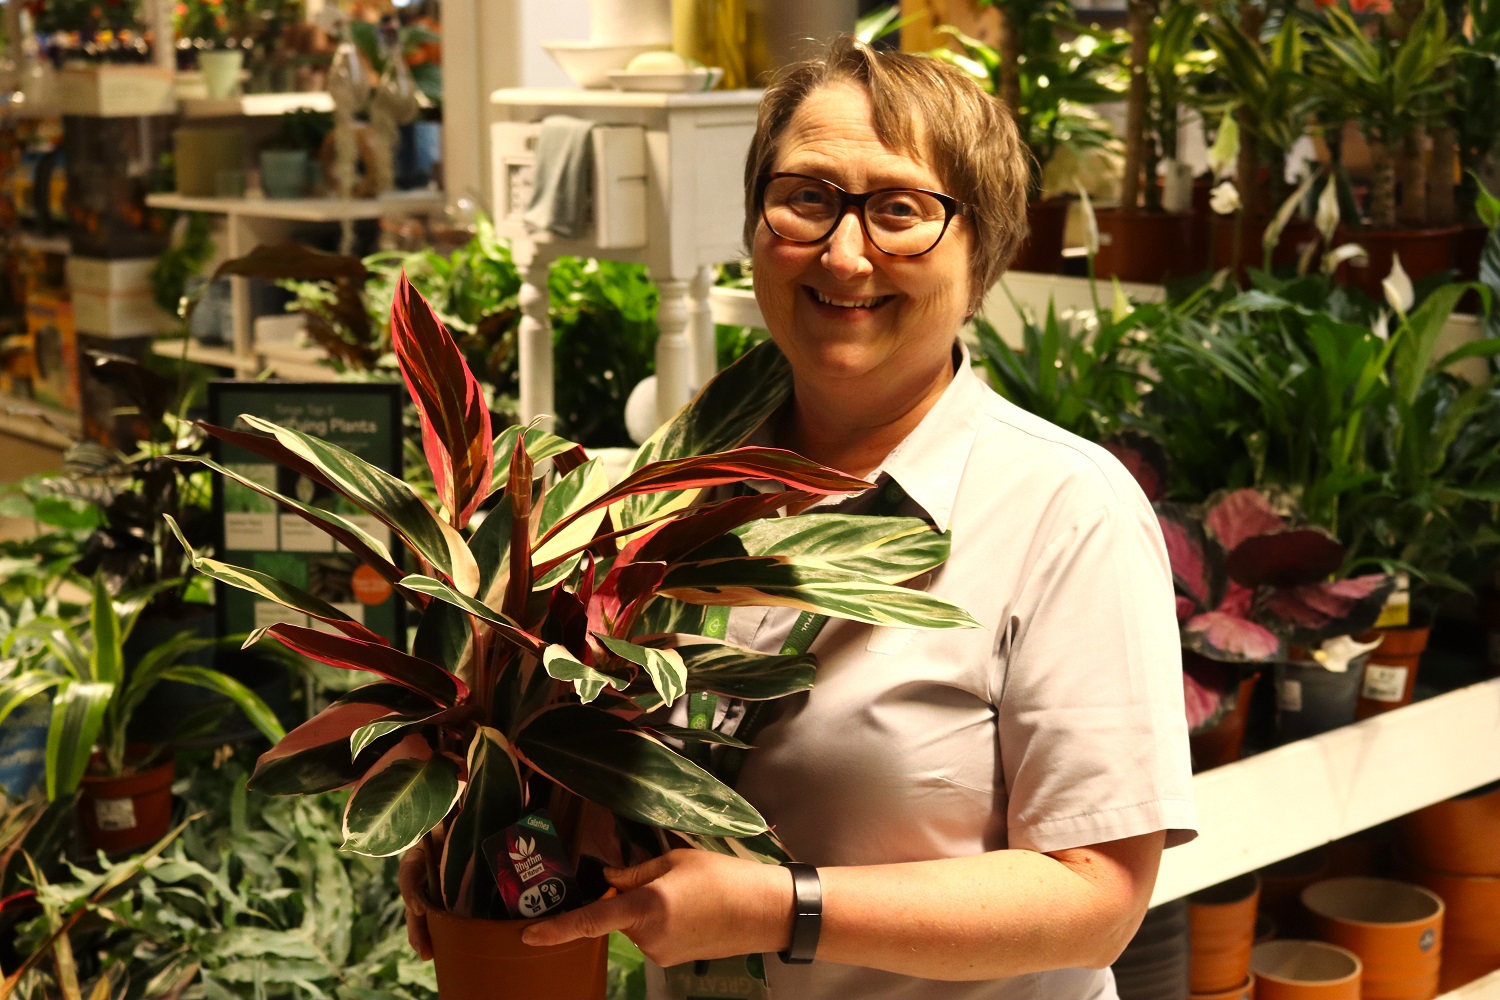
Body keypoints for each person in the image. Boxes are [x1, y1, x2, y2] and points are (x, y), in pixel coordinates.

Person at [404, 36, 1195, 999]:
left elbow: (1098, 900)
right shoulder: (671, 488)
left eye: (902, 210)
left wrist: (782, 907)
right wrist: (498, 832)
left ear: (983, 249)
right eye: (807, 198)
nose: (845, 251)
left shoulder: (1066, 511)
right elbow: (620, 781)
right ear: (754, 225)